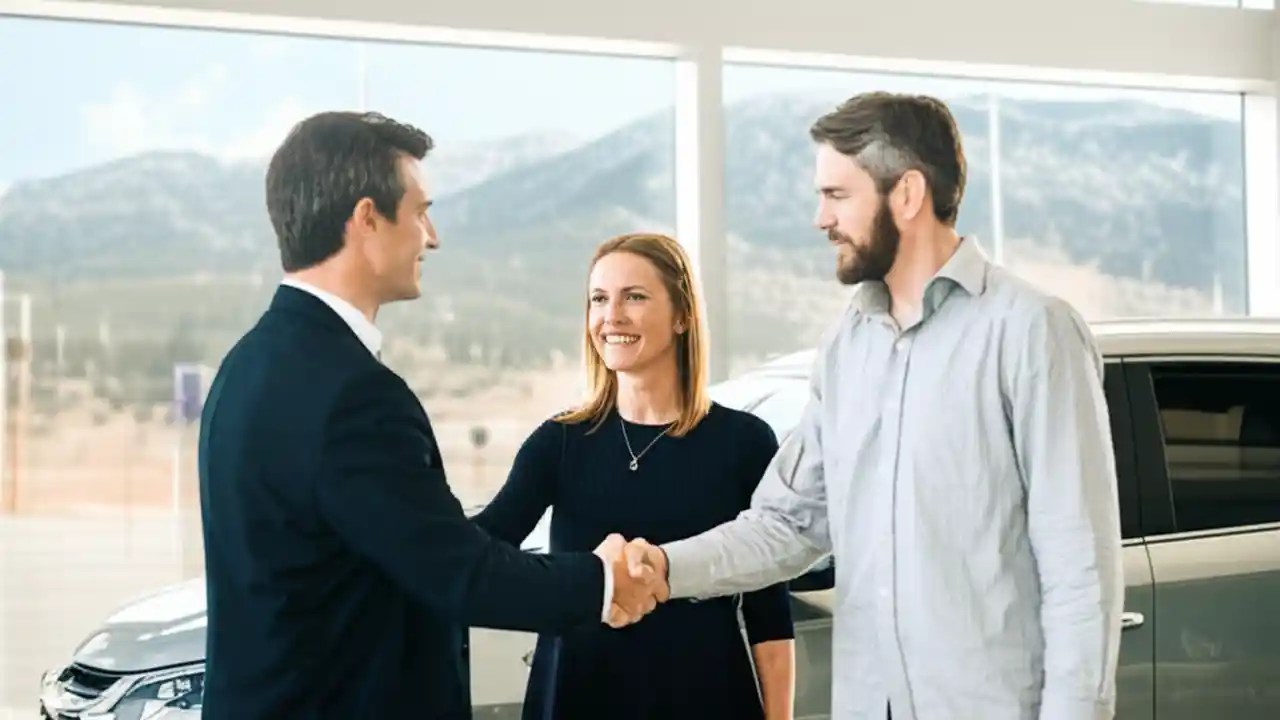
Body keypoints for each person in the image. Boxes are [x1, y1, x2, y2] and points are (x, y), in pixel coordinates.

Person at [624, 92, 1125, 720]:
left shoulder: (1032, 331)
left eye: (837, 195)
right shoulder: (847, 346)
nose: (820, 218)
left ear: (907, 194)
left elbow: (1081, 568)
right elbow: (789, 523)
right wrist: (665, 567)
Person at [196, 111, 663, 720]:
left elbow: (402, 547)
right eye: (419, 211)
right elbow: (458, 574)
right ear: (367, 218)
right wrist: (602, 582)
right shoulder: (352, 395)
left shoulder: (247, 366)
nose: (432, 236)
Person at [473, 232, 796, 719]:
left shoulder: (744, 442)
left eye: (635, 297)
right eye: (599, 299)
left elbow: (769, 612)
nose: (612, 316)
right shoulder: (558, 442)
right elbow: (478, 552)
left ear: (683, 315)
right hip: (576, 699)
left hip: (706, 700)